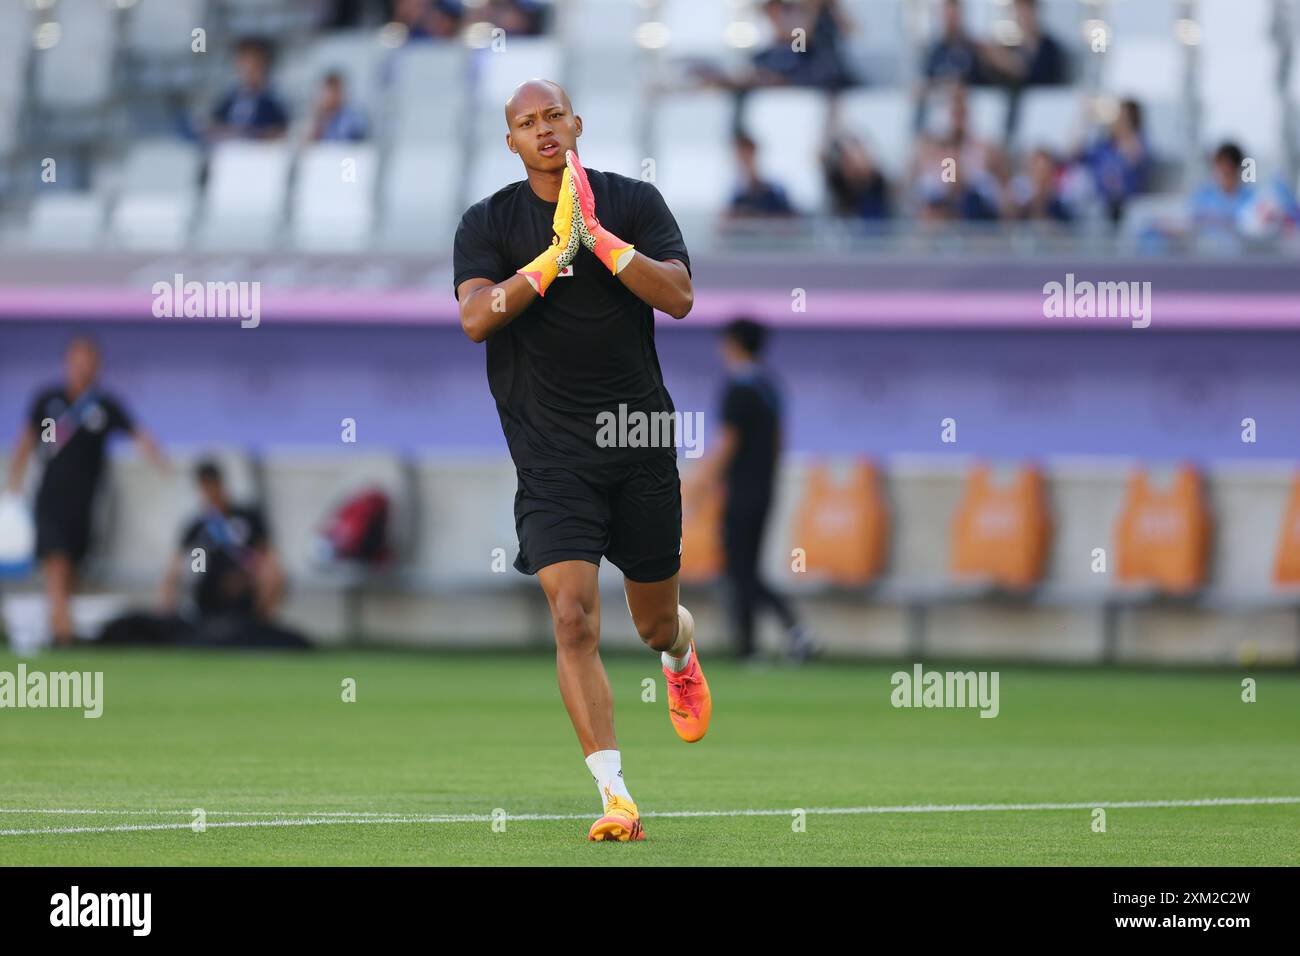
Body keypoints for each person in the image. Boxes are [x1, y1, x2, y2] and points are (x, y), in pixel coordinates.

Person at [452, 79, 703, 843]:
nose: (543, 130)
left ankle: (681, 652)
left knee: (654, 621)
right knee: (571, 618)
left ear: (577, 124)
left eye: (553, 116)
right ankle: (615, 795)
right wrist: (547, 261)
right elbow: (474, 318)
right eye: (526, 123)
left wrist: (598, 241)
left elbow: (681, 297)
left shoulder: (632, 203)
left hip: (637, 438)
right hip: (551, 452)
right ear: (513, 143)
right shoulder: (488, 222)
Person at [5, 336, 166, 645]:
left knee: (72, 570)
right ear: (68, 362)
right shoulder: (49, 400)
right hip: (51, 498)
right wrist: (13, 484)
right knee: (57, 561)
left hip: (86, 503)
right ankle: (63, 633)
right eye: (78, 360)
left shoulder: (104, 405)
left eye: (90, 361)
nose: (83, 367)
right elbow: (26, 442)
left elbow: (139, 435)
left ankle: (59, 627)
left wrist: (163, 467)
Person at [692, 319, 811, 663]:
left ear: (733, 344)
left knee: (738, 569)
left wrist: (699, 485)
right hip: (765, 487)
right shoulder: (770, 386)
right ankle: (780, 636)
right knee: (747, 568)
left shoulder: (738, 387)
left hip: (742, 491)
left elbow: (728, 443)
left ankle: (754, 646)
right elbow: (779, 440)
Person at [101, 460, 308, 649]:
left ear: (220, 484)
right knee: (183, 572)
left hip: (245, 592)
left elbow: (268, 556)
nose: (209, 493)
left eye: (212, 486)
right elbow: (176, 568)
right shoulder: (197, 526)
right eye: (204, 487)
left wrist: (247, 576)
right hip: (208, 594)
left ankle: (258, 628)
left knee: (272, 573)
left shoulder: (247, 518)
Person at [210, 37, 290, 141]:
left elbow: (279, 131)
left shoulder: (273, 102)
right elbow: (214, 126)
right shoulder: (228, 100)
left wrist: (253, 133)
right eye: (245, 65)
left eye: (255, 65)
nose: (249, 70)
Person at [728, 132, 797, 218]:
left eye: (747, 156)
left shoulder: (775, 191)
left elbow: (788, 218)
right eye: (741, 157)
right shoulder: (737, 194)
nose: (744, 162)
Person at [307, 72, 369, 142]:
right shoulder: (320, 116)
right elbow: (307, 142)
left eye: (333, 92)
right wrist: (316, 117)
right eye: (326, 92)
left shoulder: (352, 117)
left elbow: (346, 140)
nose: (329, 97)